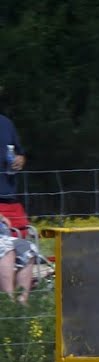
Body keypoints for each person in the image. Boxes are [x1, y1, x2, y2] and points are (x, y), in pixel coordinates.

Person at [0, 109, 34, 304]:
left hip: (9, 199)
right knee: (7, 250)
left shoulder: (5, 123)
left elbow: (19, 153)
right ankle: (8, 305)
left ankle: (22, 305)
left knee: (27, 249)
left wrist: (20, 159)